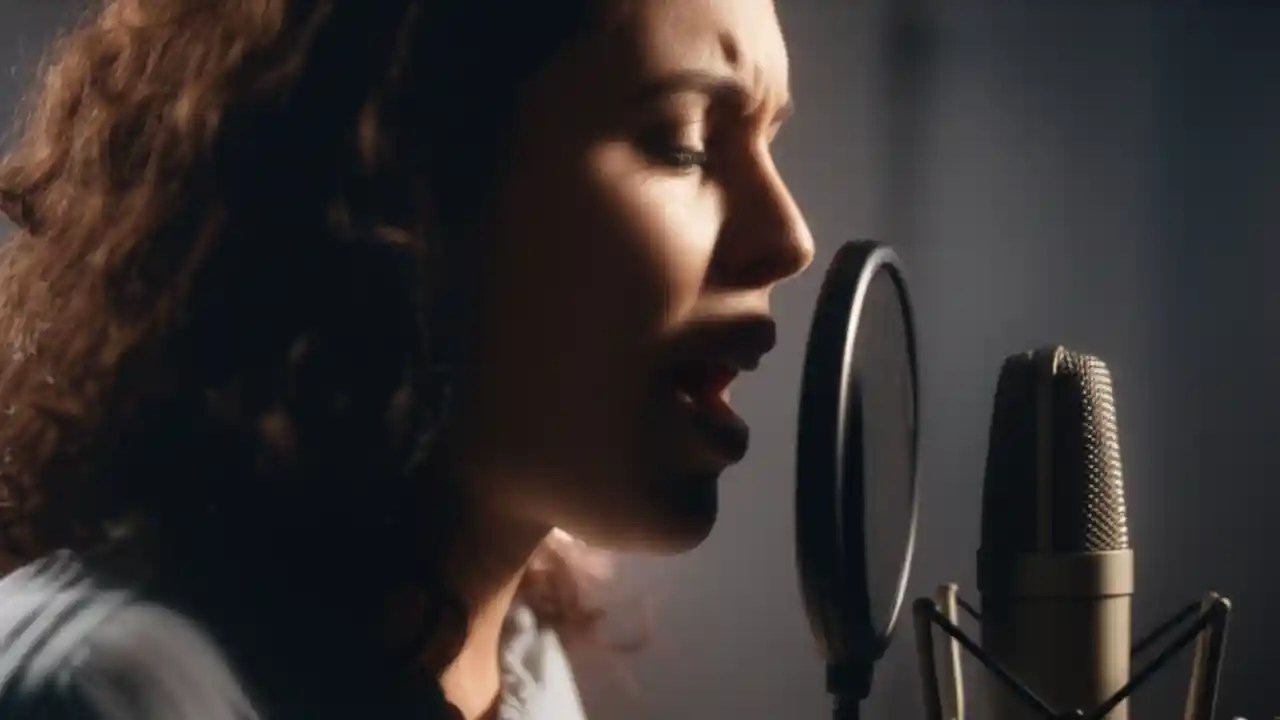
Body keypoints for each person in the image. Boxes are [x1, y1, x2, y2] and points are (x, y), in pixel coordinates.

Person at [0, 0, 814, 717]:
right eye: (685, 144)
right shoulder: (99, 694)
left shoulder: (527, 677)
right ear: (399, 173)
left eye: (770, 138)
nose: (790, 240)